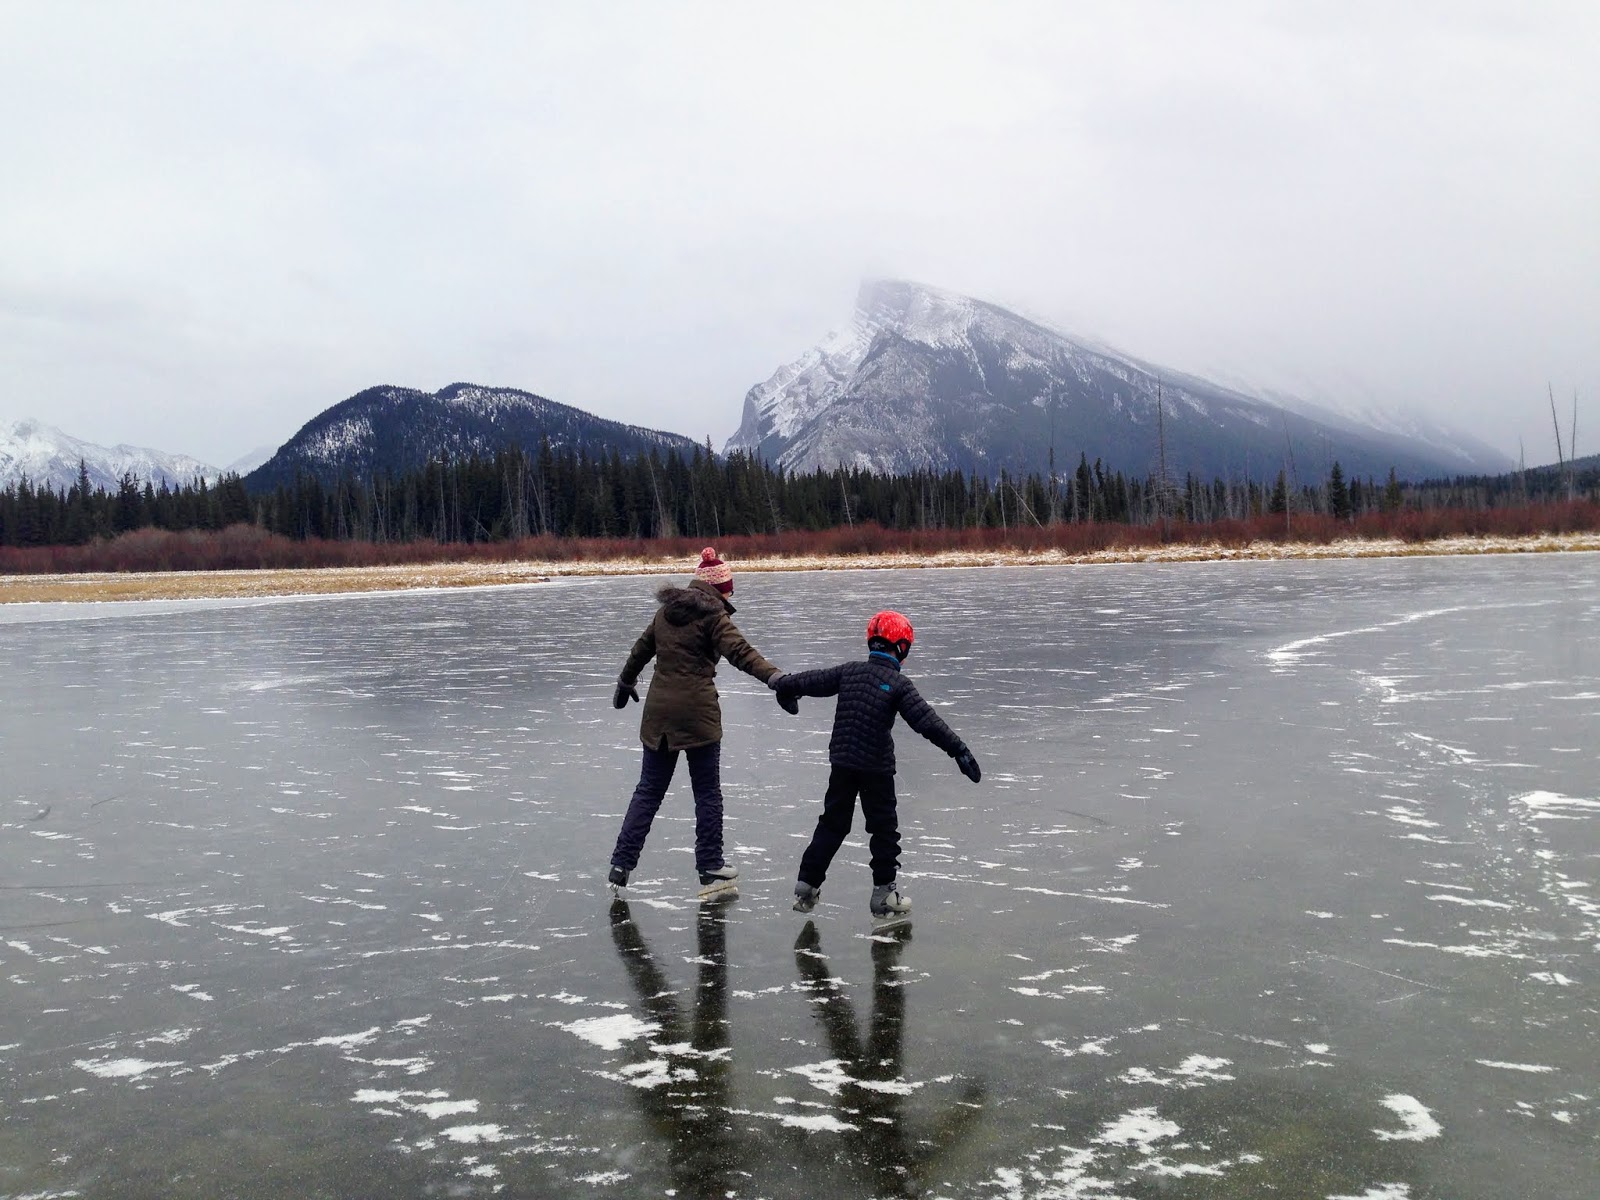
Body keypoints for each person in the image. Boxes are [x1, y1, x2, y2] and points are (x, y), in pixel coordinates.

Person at [607, 547, 793, 892]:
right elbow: (742, 653)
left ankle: (621, 863)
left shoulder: (665, 614)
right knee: (707, 793)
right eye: (730, 589)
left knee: (648, 790)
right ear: (721, 588)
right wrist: (777, 679)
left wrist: (625, 682)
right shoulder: (714, 617)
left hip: (658, 715)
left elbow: (640, 650)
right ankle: (710, 867)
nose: (731, 594)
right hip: (697, 715)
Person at [774, 610, 980, 918]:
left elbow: (813, 680)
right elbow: (927, 722)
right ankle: (884, 895)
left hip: (842, 762)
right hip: (876, 769)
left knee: (832, 823)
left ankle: (806, 886)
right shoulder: (898, 684)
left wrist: (786, 687)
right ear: (901, 647)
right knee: (883, 829)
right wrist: (959, 750)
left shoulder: (850, 671)